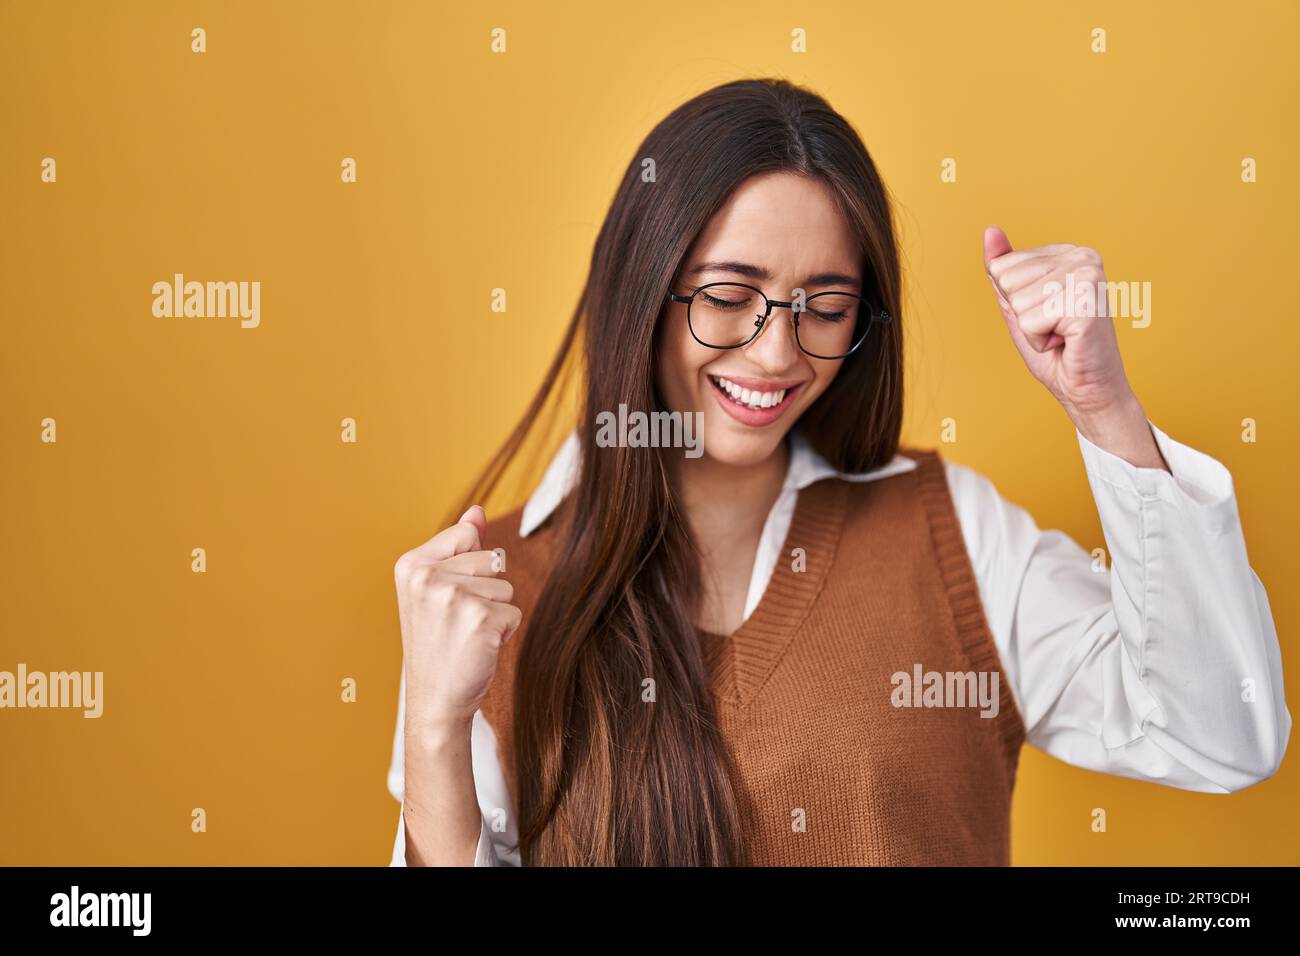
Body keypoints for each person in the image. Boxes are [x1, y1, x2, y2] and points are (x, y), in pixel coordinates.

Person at [387, 78, 1289, 866]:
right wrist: (433, 726)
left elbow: (1223, 733)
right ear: (644, 290)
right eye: (727, 296)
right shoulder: (491, 598)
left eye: (825, 307)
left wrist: (1106, 409)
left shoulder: (951, 534)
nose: (777, 353)